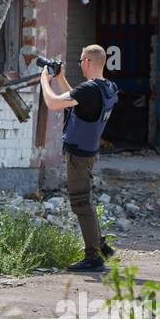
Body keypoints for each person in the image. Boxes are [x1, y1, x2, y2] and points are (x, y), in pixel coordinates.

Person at [39, 44, 119, 272]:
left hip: (78, 155)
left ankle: (93, 257)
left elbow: (54, 103)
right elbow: (79, 100)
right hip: (90, 152)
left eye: (81, 60)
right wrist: (62, 79)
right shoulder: (108, 87)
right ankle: (102, 245)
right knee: (86, 200)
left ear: (87, 62)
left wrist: (46, 80)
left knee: (81, 204)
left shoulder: (88, 90)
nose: (80, 64)